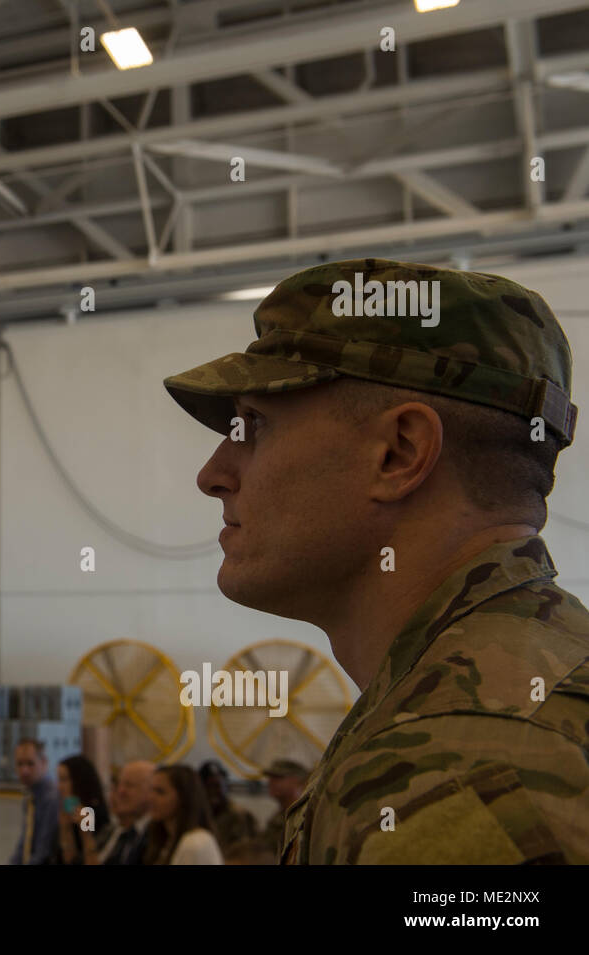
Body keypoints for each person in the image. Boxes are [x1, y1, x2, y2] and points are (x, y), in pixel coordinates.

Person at [162, 258, 589, 864]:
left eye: (254, 424)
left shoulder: (453, 766)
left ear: (399, 453)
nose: (213, 476)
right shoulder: (532, 683)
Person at [144, 765, 224, 865]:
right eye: (151, 790)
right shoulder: (167, 840)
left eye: (160, 792)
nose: (150, 798)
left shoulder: (196, 843)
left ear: (183, 797)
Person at [92, 760, 156, 865]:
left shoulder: (154, 834)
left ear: (150, 791)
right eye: (119, 785)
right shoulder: (113, 829)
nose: (121, 791)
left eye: (129, 785)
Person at [53, 754, 112, 865]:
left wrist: (84, 828)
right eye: (59, 780)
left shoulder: (94, 811)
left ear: (79, 781)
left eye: (64, 780)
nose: (59, 786)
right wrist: (65, 828)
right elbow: (68, 859)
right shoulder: (69, 811)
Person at [7, 738, 59, 865]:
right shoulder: (31, 798)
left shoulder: (51, 799)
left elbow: (43, 850)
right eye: (20, 764)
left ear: (44, 763)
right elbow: (25, 841)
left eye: (30, 764)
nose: (24, 771)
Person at [198, 760, 257, 852]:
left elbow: (247, 853)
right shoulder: (196, 816)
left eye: (217, 786)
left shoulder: (240, 816)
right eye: (208, 786)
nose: (213, 791)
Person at [260, 759, 309, 858]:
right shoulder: (278, 816)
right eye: (270, 777)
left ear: (298, 781)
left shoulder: (307, 814)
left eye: (278, 777)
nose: (270, 781)